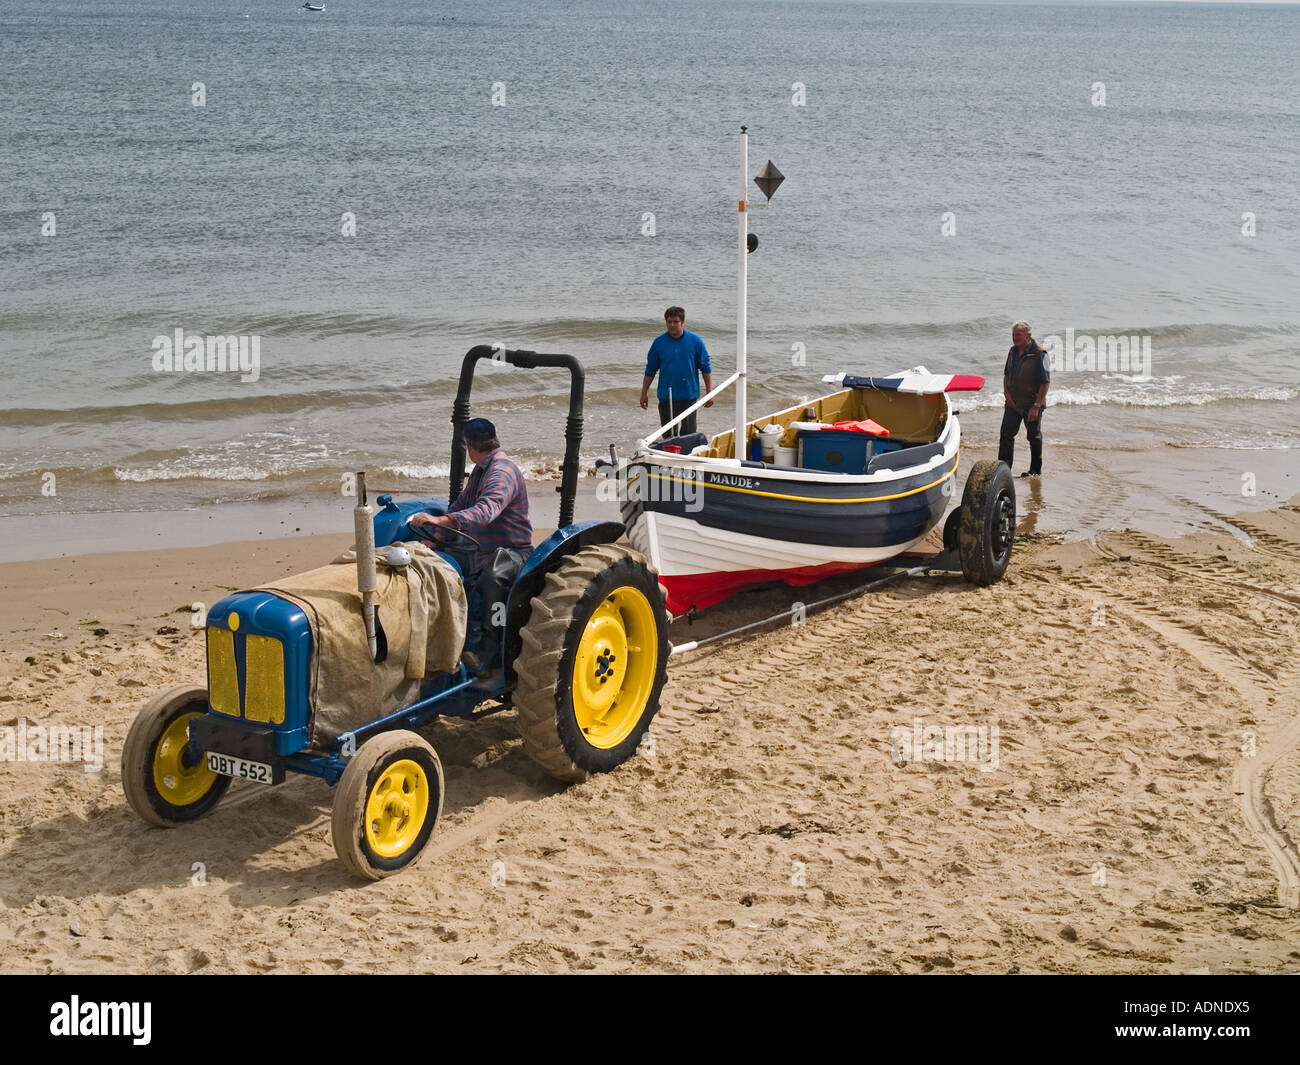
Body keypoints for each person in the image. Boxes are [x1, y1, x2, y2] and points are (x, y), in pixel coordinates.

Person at [408, 418, 533, 686]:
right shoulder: (480, 471)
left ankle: (489, 650)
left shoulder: (502, 471)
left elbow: (486, 511)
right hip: (480, 548)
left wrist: (439, 521)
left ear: (468, 446)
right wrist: (437, 541)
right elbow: (459, 506)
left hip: (512, 552)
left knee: (494, 576)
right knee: (439, 566)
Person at [639, 306, 713, 436]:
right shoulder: (659, 343)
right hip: (667, 396)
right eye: (669, 322)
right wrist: (643, 393)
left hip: (689, 395)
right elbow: (650, 370)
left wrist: (709, 392)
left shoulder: (695, 341)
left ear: (682, 322)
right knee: (668, 436)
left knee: (688, 435)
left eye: (675, 322)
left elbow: (705, 368)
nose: (672, 325)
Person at [999, 320, 1050, 477]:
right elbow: (1007, 375)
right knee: (1006, 435)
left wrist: (1036, 406)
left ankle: (1035, 470)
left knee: (1033, 437)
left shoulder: (1040, 354)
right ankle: (1003, 470)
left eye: (1018, 335)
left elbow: (1045, 383)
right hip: (1013, 403)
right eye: (1013, 335)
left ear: (1028, 336)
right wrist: (1007, 395)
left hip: (1032, 404)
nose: (1014, 338)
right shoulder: (1012, 351)